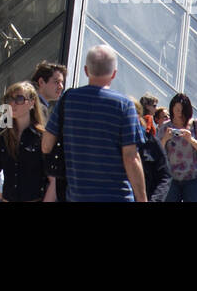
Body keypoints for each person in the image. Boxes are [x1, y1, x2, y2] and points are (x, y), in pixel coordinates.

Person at [42, 45, 148, 202]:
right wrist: (142, 198)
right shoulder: (124, 105)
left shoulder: (68, 99)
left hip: (77, 196)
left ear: (86, 71)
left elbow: (46, 145)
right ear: (114, 73)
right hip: (117, 197)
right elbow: (131, 158)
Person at [0, 83, 54, 203]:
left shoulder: (42, 138)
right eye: (9, 99)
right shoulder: (1, 140)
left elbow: (54, 181)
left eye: (19, 99)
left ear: (32, 102)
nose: (12, 103)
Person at [156, 93, 197, 202]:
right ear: (171, 109)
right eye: (177, 110)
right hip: (171, 178)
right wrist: (165, 139)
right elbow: (156, 153)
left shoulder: (196, 124)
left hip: (193, 177)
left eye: (182, 110)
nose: (179, 113)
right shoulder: (165, 128)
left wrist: (191, 140)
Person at [31, 61, 67, 202]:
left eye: (62, 82)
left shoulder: (37, 107)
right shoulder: (36, 109)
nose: (61, 87)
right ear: (41, 82)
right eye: (56, 82)